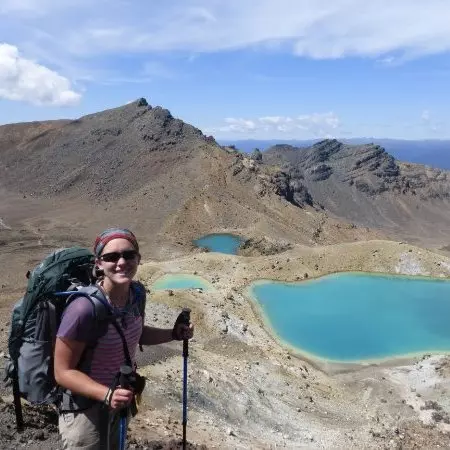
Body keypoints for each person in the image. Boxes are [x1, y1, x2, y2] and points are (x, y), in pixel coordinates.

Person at [54, 228, 194, 449]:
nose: (121, 262)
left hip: (119, 399)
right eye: (111, 257)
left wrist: (173, 334)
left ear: (138, 258)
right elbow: (62, 372)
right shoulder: (83, 309)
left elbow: (136, 334)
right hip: (86, 410)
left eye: (128, 255)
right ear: (99, 263)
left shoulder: (137, 295)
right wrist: (107, 394)